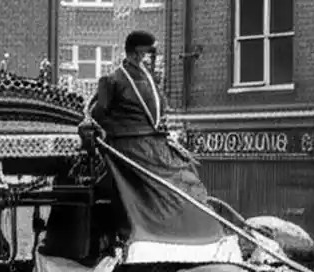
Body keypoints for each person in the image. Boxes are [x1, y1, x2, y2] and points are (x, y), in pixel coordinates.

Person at [78, 30, 225, 250]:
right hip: (131, 147)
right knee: (174, 182)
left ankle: (196, 231)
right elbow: (97, 116)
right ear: (137, 54)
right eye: (149, 54)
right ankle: (167, 233)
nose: (152, 60)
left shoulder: (148, 79)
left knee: (185, 173)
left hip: (154, 144)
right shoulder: (112, 81)